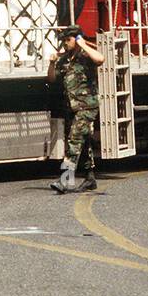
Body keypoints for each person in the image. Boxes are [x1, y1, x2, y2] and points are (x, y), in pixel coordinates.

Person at [46, 25, 105, 193]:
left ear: (77, 39)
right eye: (63, 40)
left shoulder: (85, 55)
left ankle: (65, 179)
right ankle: (90, 178)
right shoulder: (64, 59)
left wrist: (83, 43)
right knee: (83, 142)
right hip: (72, 106)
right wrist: (51, 64)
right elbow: (51, 79)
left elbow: (100, 59)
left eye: (68, 40)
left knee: (74, 139)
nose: (65, 43)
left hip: (87, 105)